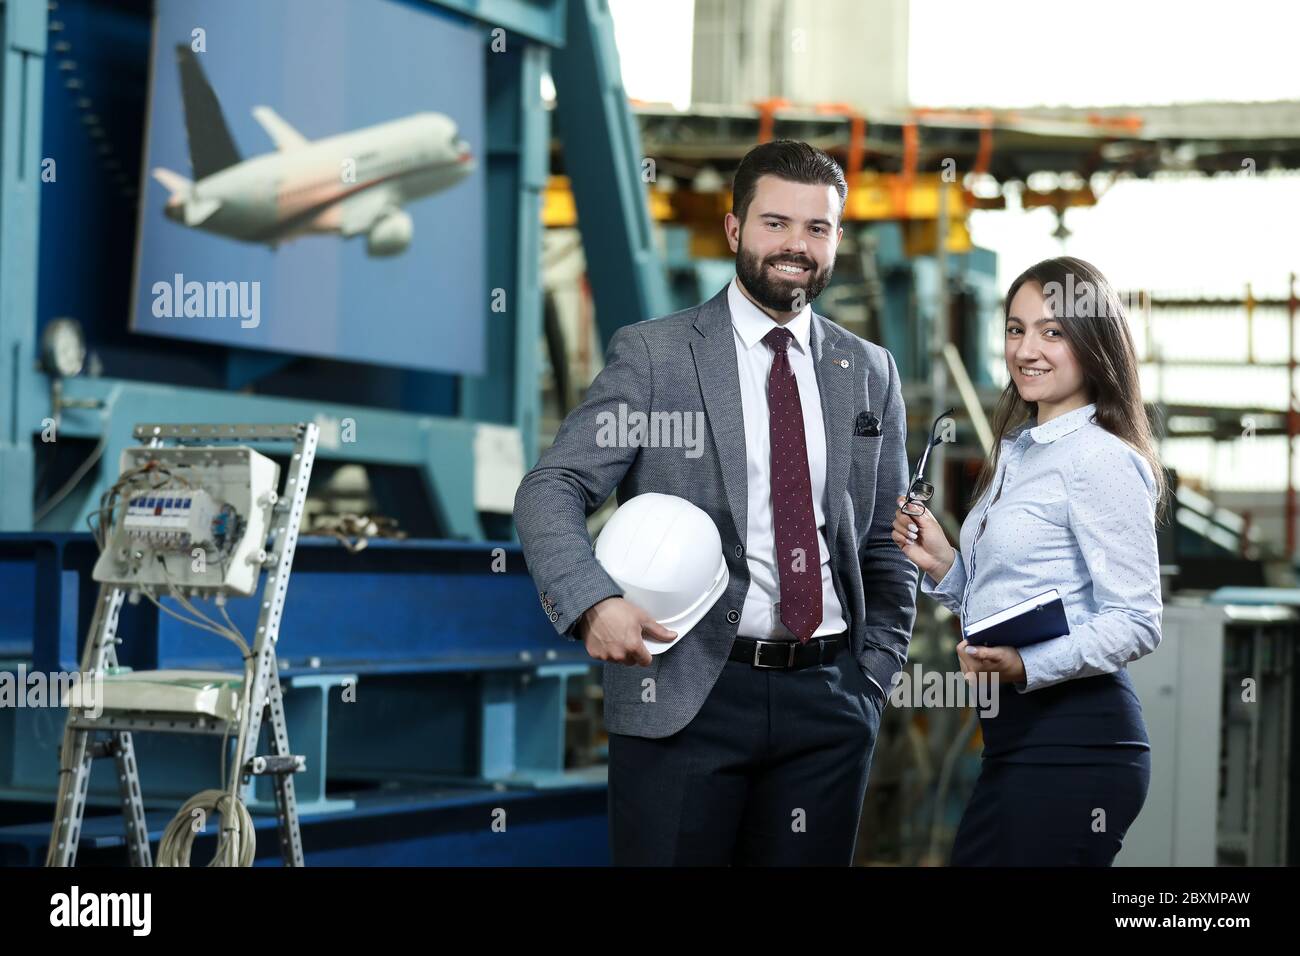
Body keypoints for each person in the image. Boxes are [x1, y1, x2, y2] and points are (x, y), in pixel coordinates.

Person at [514, 140, 917, 865]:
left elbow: (887, 539)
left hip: (828, 703)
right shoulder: (656, 357)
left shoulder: (868, 370)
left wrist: (874, 672)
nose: (796, 245)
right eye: (775, 223)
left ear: (837, 240)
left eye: (817, 228)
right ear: (735, 231)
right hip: (686, 693)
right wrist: (591, 602)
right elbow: (553, 487)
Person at [893, 256, 1166, 866]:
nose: (1027, 349)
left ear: (1095, 344)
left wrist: (1025, 663)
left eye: (1052, 331)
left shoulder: (1100, 458)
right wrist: (943, 565)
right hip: (1017, 741)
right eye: (1016, 329)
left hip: (1078, 745)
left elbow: (1138, 620)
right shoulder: (1018, 452)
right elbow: (1011, 600)